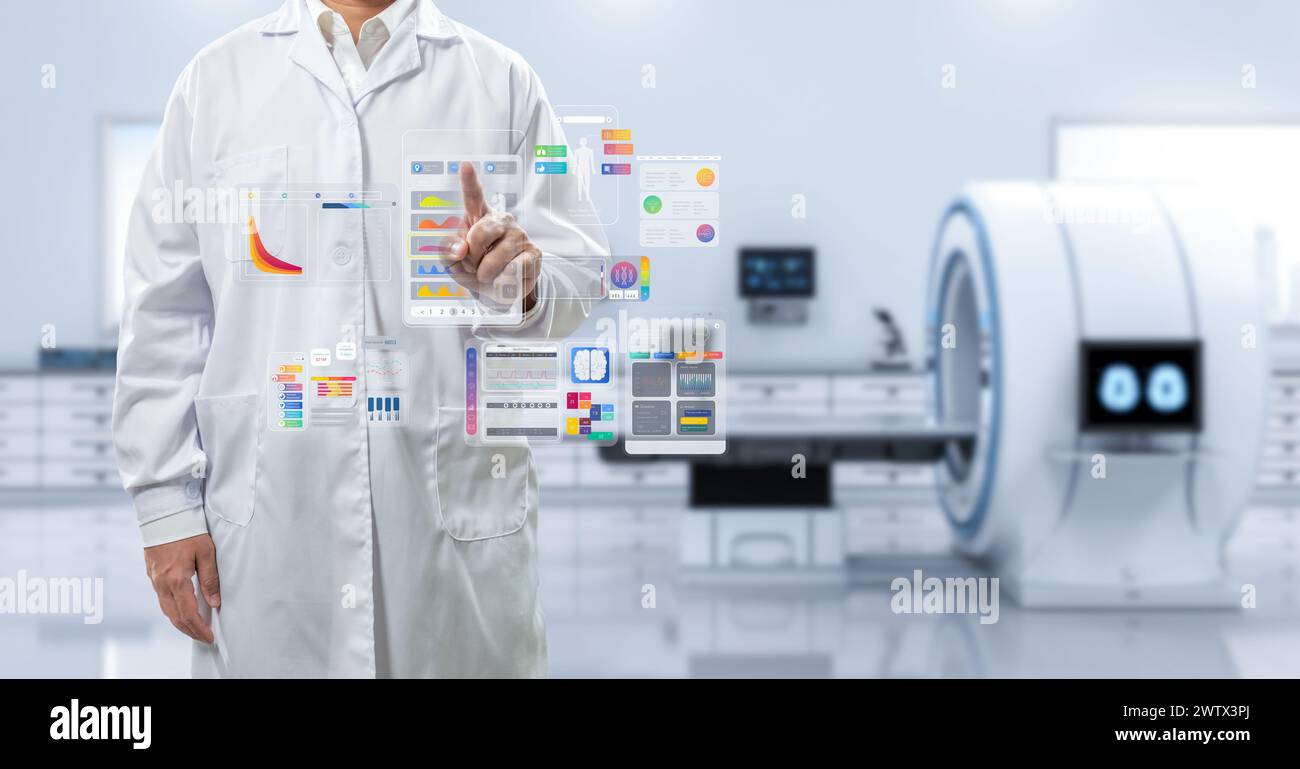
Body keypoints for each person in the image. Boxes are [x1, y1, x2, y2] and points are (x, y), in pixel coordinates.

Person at [113, 0, 608, 677]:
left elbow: (580, 269)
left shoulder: (502, 81)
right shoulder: (213, 85)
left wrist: (523, 280)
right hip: (270, 524)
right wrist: (166, 509)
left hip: (450, 532)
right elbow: (165, 312)